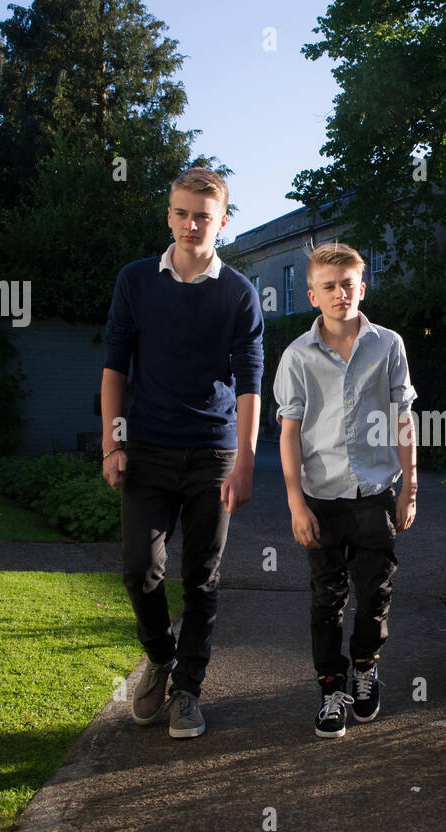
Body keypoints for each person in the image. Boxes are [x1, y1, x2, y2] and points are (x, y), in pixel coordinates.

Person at [100, 166, 262, 739]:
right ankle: (160, 658)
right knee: (140, 568)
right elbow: (115, 365)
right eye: (182, 213)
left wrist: (244, 461)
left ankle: (188, 690)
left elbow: (249, 384)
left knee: (202, 577)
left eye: (204, 215)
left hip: (212, 454)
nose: (191, 224)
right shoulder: (136, 280)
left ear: (222, 222)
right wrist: (111, 442)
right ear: (169, 215)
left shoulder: (238, 293)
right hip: (145, 447)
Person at [273, 241, 417, 738]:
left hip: (377, 491)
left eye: (348, 285)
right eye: (328, 287)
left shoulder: (388, 345)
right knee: (326, 597)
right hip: (321, 497)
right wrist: (295, 503)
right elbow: (289, 433)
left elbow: (403, 417)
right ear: (312, 294)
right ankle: (330, 687)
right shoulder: (297, 356)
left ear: (362, 286)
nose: (340, 294)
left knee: (375, 592)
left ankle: (364, 668)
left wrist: (410, 486)